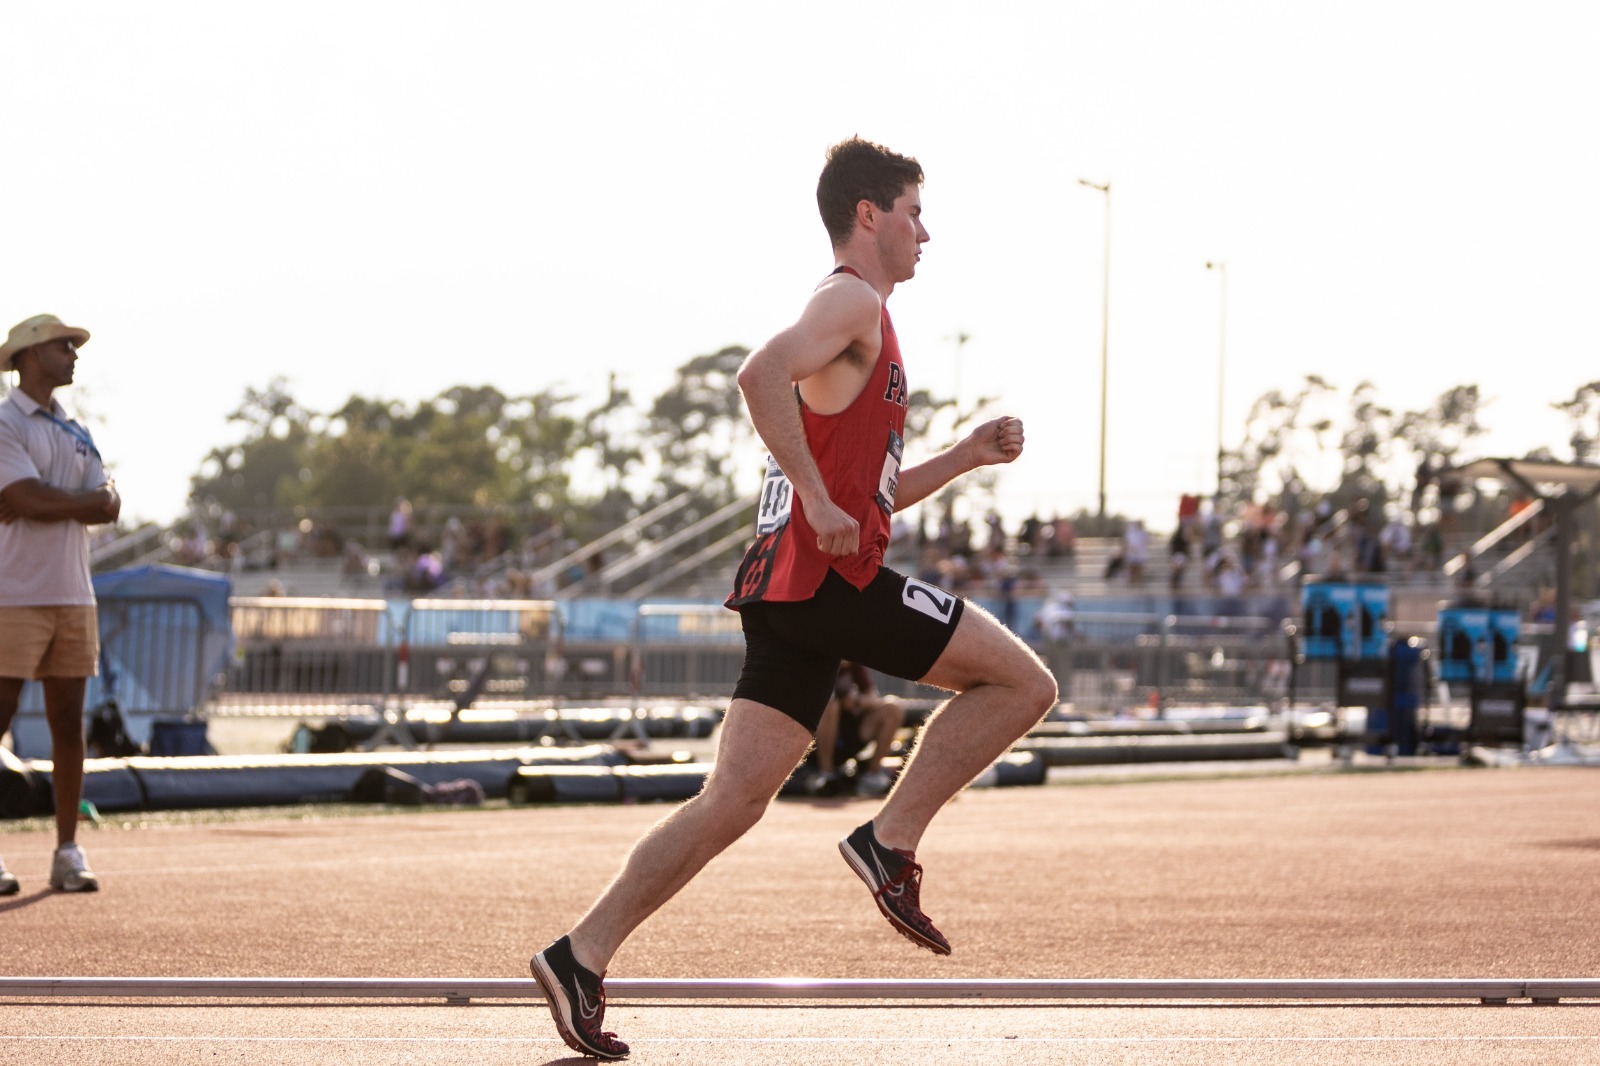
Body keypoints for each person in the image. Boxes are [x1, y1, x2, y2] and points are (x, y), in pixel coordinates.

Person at [528, 137, 1057, 1059]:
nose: (926, 233)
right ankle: (890, 839)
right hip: (829, 579)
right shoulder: (850, 299)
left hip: (793, 590)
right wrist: (813, 495)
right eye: (915, 212)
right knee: (1023, 686)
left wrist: (964, 456)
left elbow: (872, 494)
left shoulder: (862, 320)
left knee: (730, 800)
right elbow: (757, 375)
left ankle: (580, 954)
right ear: (868, 215)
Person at [0, 314, 121, 895]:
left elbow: (109, 500)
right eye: (62, 345)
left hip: (74, 593)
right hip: (14, 592)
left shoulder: (74, 427)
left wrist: (58, 502)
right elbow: (24, 498)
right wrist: (78, 501)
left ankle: (67, 848)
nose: (74, 353)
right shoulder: (5, 423)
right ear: (27, 354)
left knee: (68, 726)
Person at [808, 661, 906, 796]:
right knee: (831, 704)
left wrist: (857, 701)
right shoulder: (818, 664)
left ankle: (872, 775)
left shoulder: (855, 665)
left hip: (852, 734)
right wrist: (840, 701)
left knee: (893, 708)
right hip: (816, 741)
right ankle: (826, 774)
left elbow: (872, 697)